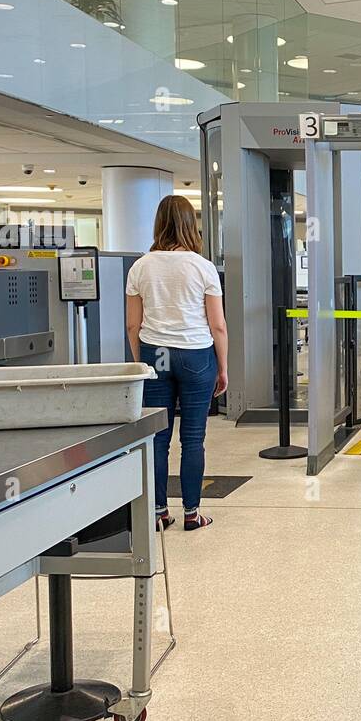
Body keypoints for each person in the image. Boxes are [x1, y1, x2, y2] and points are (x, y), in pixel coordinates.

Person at [125, 195, 228, 531]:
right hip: (197, 354)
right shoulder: (203, 267)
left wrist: (142, 362)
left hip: (157, 354)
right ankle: (192, 513)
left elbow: (132, 325)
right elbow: (218, 326)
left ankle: (157, 513)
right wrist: (223, 367)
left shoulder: (140, 266)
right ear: (191, 225)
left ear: (159, 224)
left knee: (157, 437)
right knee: (193, 438)